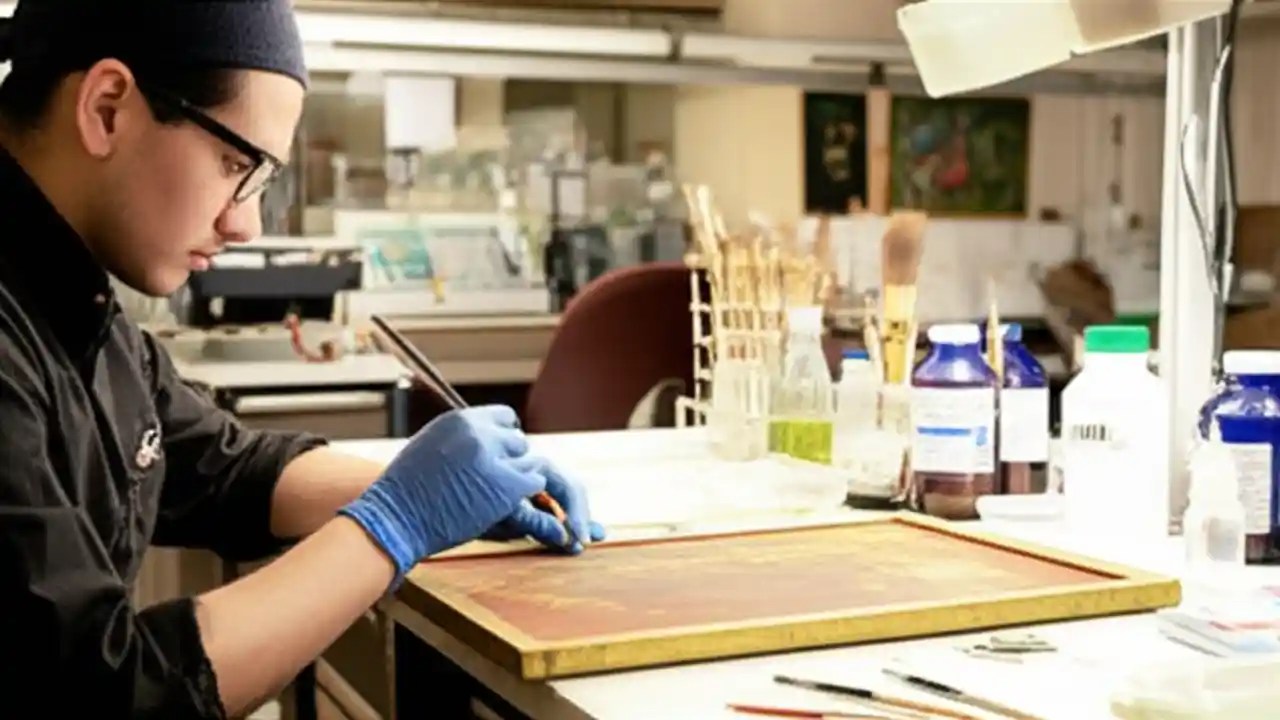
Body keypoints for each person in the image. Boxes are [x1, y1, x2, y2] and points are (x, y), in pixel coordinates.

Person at [0, 2, 603, 718]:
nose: (245, 223)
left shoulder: (76, 306)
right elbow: (104, 693)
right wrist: (396, 522)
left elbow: (220, 469)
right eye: (235, 164)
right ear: (106, 109)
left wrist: (445, 493)